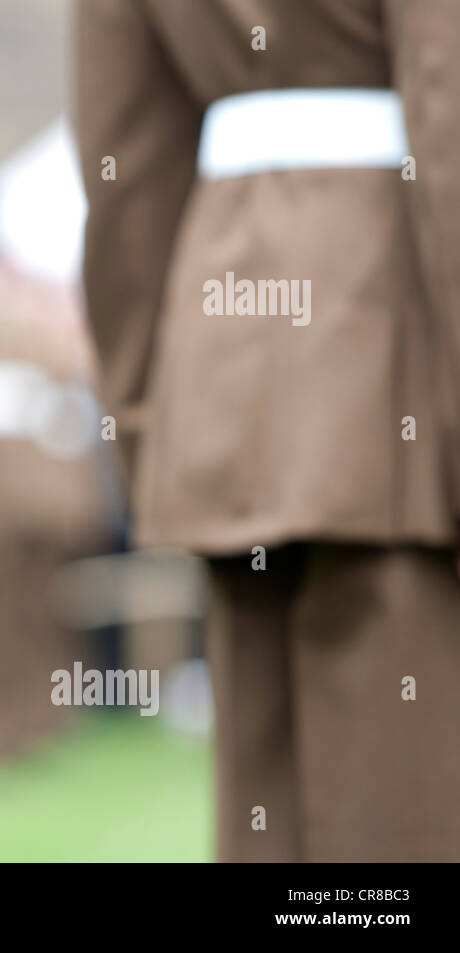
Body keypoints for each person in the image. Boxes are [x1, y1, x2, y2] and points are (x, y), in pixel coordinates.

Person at [78, 0, 460, 861]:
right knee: (409, 817)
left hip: (226, 352)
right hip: (393, 339)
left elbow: (122, 169)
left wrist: (147, 427)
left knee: (269, 803)